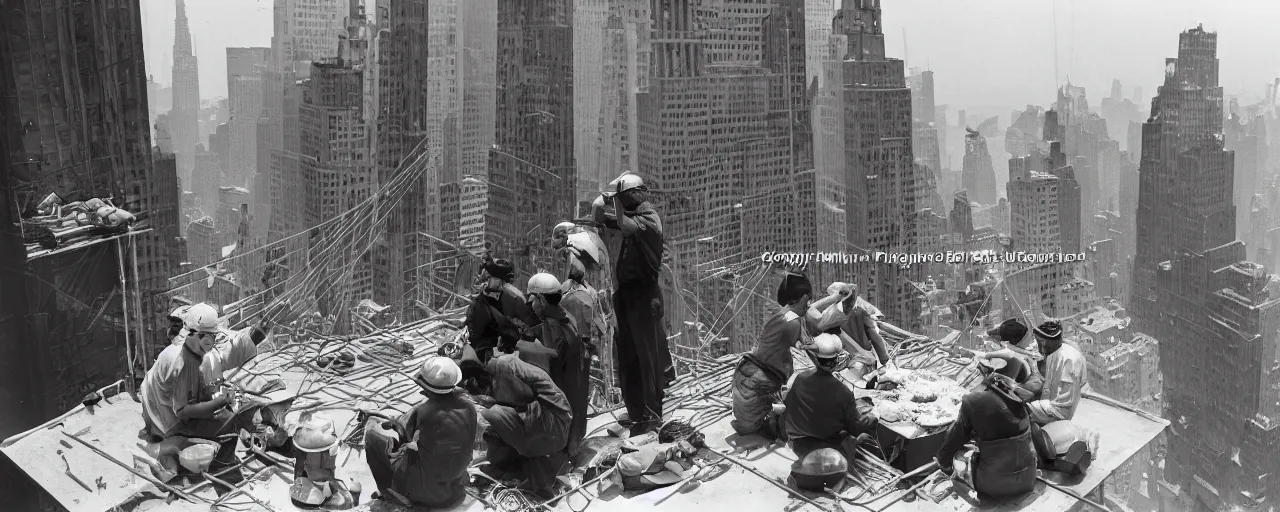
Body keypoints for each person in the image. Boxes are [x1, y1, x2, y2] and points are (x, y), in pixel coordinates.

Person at [139, 303, 256, 479]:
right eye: (210, 337)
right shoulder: (183, 361)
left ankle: (169, 446)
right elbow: (183, 411)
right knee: (228, 421)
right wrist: (220, 402)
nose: (212, 342)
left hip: (154, 408)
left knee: (223, 413)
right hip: (164, 418)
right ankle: (212, 463)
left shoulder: (186, 349)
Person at [592, 172, 669, 435]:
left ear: (635, 196)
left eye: (623, 198)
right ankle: (636, 411)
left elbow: (625, 225)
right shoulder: (632, 216)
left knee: (648, 357)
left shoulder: (648, 219)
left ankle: (652, 413)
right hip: (626, 295)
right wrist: (604, 201)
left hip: (644, 295)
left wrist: (610, 200)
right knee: (628, 355)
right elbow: (599, 216)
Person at [730, 273, 843, 440]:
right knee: (795, 421)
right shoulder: (792, 323)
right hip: (756, 387)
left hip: (745, 377)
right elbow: (808, 347)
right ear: (804, 298)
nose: (810, 304)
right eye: (809, 299)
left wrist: (835, 297)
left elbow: (808, 325)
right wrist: (831, 362)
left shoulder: (782, 314)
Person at [364, 357, 478, 509]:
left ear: (427, 388)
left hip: (428, 491)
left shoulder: (424, 411)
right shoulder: (469, 407)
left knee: (373, 438)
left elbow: (405, 437)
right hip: (456, 481)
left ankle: (391, 492)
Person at [934, 359, 1038, 502]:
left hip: (993, 487)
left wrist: (943, 463)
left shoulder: (973, 401)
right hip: (1028, 480)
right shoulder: (1021, 399)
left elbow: (955, 439)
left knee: (961, 453)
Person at [516, 273, 591, 458]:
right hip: (576, 393)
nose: (530, 304)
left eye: (532, 298)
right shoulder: (566, 316)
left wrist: (519, 346)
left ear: (541, 299)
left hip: (562, 396)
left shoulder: (553, 326)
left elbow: (550, 360)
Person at [479, 352, 573, 499]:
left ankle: (501, 470)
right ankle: (511, 468)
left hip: (552, 427)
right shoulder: (507, 365)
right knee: (496, 420)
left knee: (489, 418)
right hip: (553, 423)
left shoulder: (505, 369)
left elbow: (516, 401)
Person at [783, 333, 880, 460]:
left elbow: (789, 403)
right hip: (824, 449)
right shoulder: (843, 392)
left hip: (796, 443)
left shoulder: (800, 378)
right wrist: (874, 416)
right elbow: (855, 428)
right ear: (836, 361)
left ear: (816, 359)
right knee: (864, 438)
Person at [951, 318, 1044, 401]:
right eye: (1028, 338)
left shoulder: (1014, 353)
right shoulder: (1012, 353)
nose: (1032, 341)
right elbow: (985, 355)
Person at [466, 258, 535, 362]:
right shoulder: (479, 298)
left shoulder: (514, 299)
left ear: (502, 280)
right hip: (481, 346)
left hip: (506, 353)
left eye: (492, 277)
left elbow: (528, 331)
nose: (487, 281)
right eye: (488, 277)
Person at [817, 282, 890, 370]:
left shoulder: (830, 312)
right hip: (843, 355)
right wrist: (883, 359)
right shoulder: (832, 314)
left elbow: (873, 333)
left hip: (848, 355)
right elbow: (873, 335)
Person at [1028, 321, 1087, 425]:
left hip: (1059, 413)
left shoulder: (1070, 360)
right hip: (1050, 404)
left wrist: (1032, 407)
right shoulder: (1055, 352)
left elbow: (1063, 403)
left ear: (1043, 342)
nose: (1038, 346)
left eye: (1038, 342)